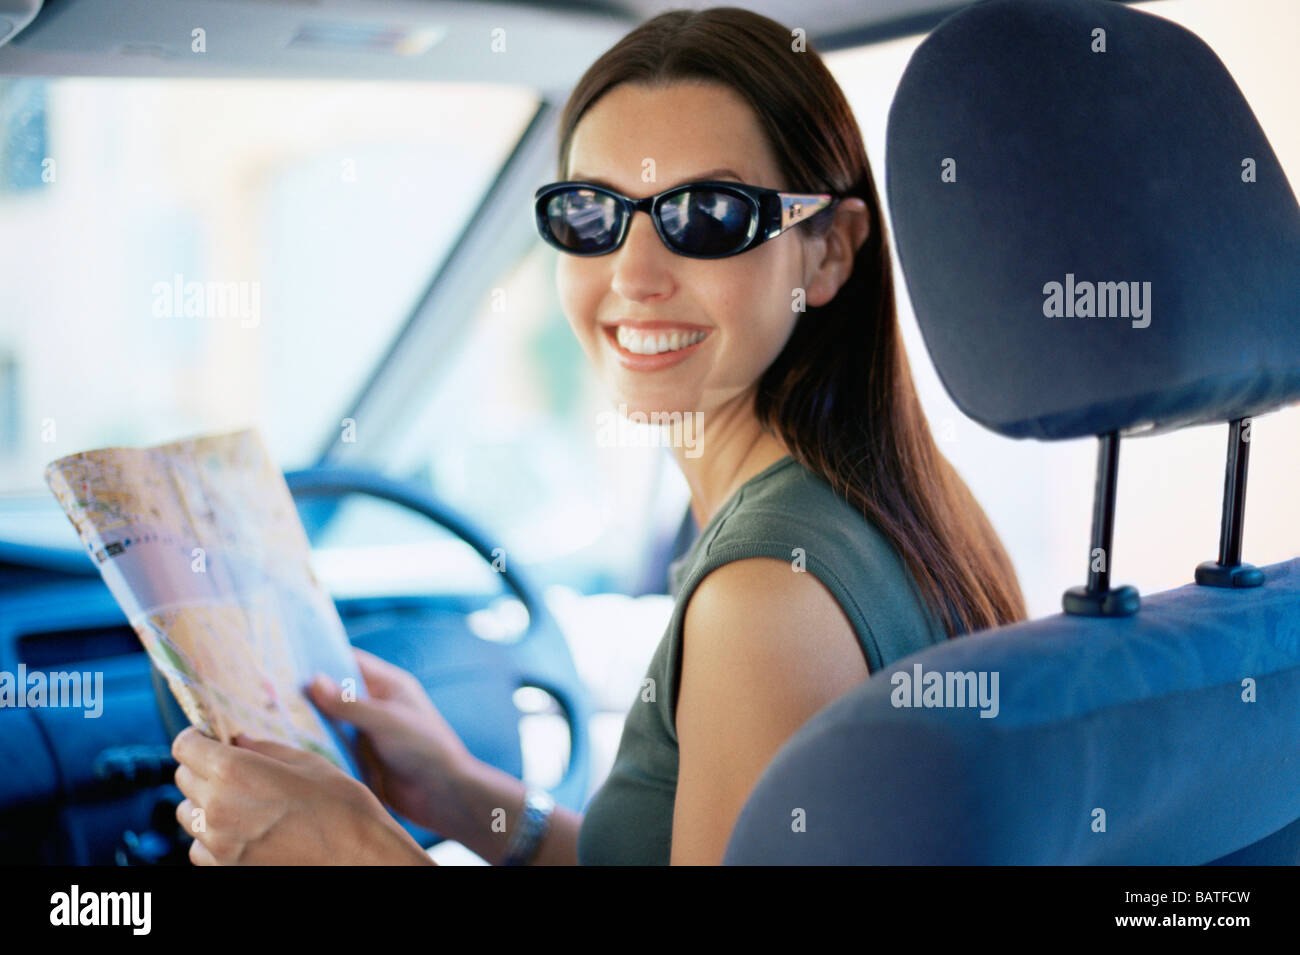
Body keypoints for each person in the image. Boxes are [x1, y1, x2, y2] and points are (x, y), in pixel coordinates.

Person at [171, 6, 1026, 866]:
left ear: (828, 252)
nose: (634, 275)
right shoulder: (907, 507)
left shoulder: (766, 598)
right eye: (591, 213)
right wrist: (464, 796)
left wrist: (353, 848)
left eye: (709, 214)